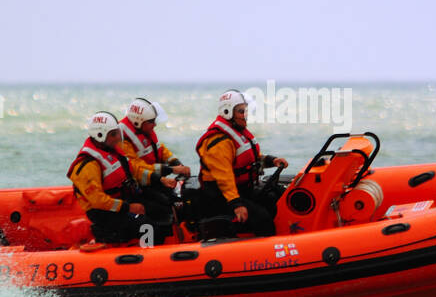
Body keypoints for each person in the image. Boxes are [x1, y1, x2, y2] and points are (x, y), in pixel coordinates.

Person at [67, 111, 178, 244]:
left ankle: (165, 245)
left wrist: (159, 179)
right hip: (105, 212)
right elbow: (98, 201)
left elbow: (134, 171)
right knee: (148, 227)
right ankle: (146, 253)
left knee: (161, 208)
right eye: (114, 134)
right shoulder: (88, 165)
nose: (119, 137)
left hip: (123, 201)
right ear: (100, 135)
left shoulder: (112, 150)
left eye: (118, 132)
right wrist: (128, 207)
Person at [195, 90, 288, 237]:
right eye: (241, 111)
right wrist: (236, 205)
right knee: (262, 218)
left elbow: (250, 159)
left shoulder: (236, 132)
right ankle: (265, 255)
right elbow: (224, 177)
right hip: (221, 196)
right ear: (227, 112)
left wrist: (271, 161)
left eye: (245, 110)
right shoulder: (219, 141)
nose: (245, 115)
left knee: (275, 197)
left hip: (240, 189)